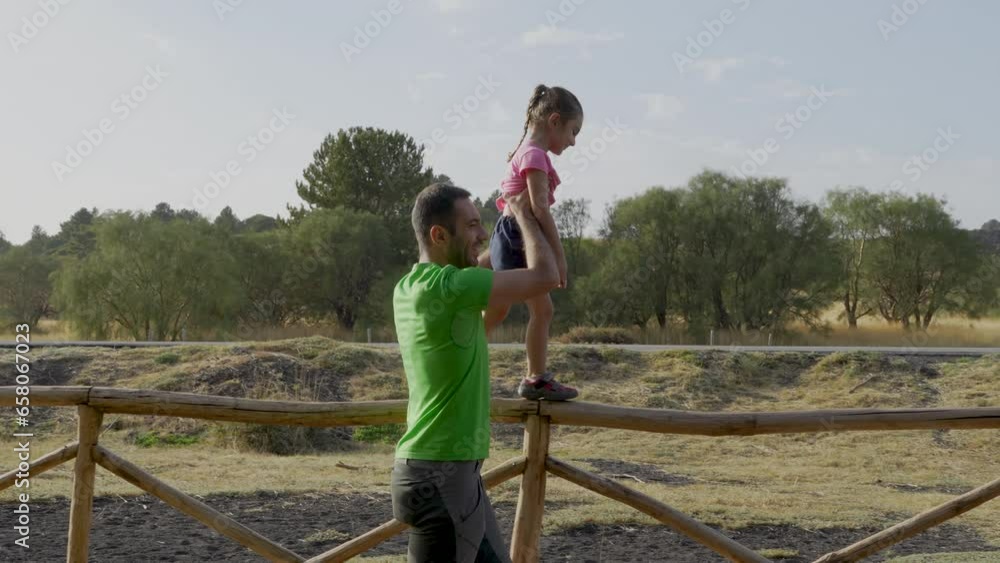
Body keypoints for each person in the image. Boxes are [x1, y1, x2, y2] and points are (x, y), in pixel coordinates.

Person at [391, 182, 560, 562]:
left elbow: (483, 264)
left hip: (439, 473)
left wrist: (501, 233)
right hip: (442, 480)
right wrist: (523, 215)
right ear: (438, 234)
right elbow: (547, 275)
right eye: (470, 226)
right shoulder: (453, 287)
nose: (481, 234)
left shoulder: (409, 287)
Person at [481, 84, 583, 401]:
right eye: (572, 131)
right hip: (518, 234)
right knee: (542, 309)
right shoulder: (535, 155)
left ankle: (463, 349)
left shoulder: (530, 152)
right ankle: (535, 379)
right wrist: (559, 258)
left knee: (498, 310)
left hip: (511, 232)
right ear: (554, 121)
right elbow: (538, 209)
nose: (573, 141)